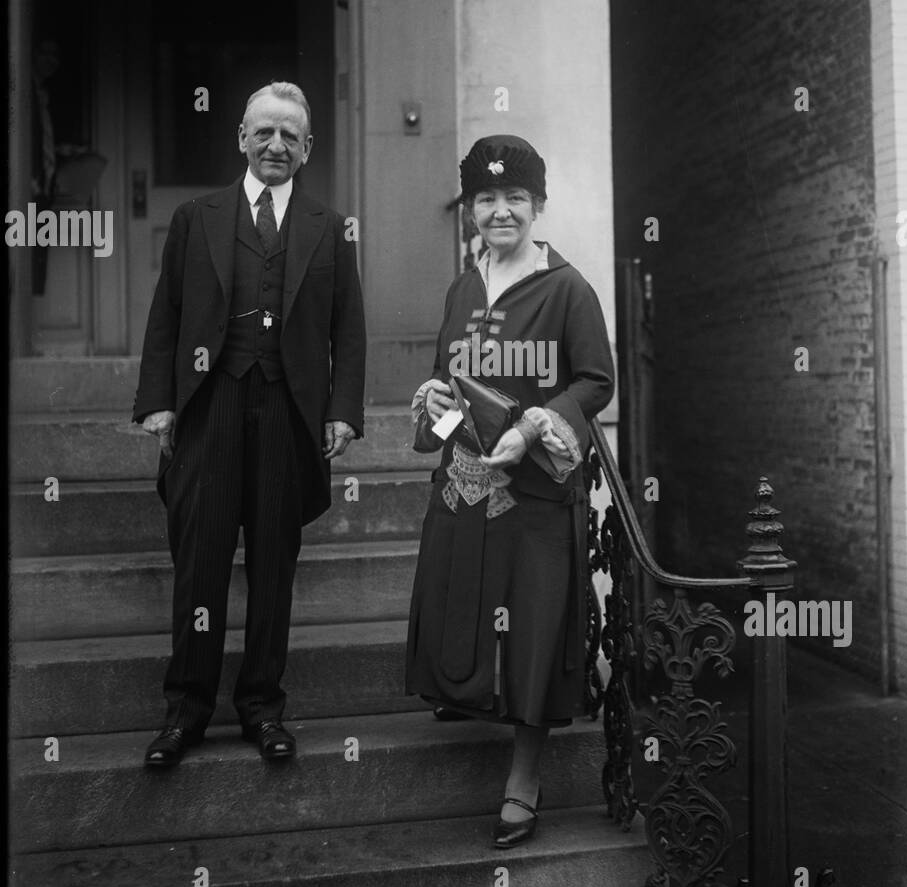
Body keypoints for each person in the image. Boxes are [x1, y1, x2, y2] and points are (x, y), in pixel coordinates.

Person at [133, 81, 366, 767]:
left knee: (272, 566)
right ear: (241, 138)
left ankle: (262, 707)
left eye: (290, 136)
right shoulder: (195, 218)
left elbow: (347, 331)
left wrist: (343, 412)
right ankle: (187, 710)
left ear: (308, 149)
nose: (276, 145)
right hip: (211, 406)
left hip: (287, 414)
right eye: (264, 132)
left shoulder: (329, 228)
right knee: (200, 563)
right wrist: (159, 401)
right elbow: (166, 317)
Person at [406, 134, 614, 847]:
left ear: (538, 205)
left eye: (514, 198)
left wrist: (534, 426)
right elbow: (449, 371)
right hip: (467, 483)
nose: (500, 211)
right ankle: (466, 691)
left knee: (531, 626)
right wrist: (435, 399)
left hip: (534, 488)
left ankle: (523, 778)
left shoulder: (567, 289)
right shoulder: (462, 287)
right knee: (462, 599)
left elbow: (595, 380)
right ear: (469, 209)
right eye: (485, 199)